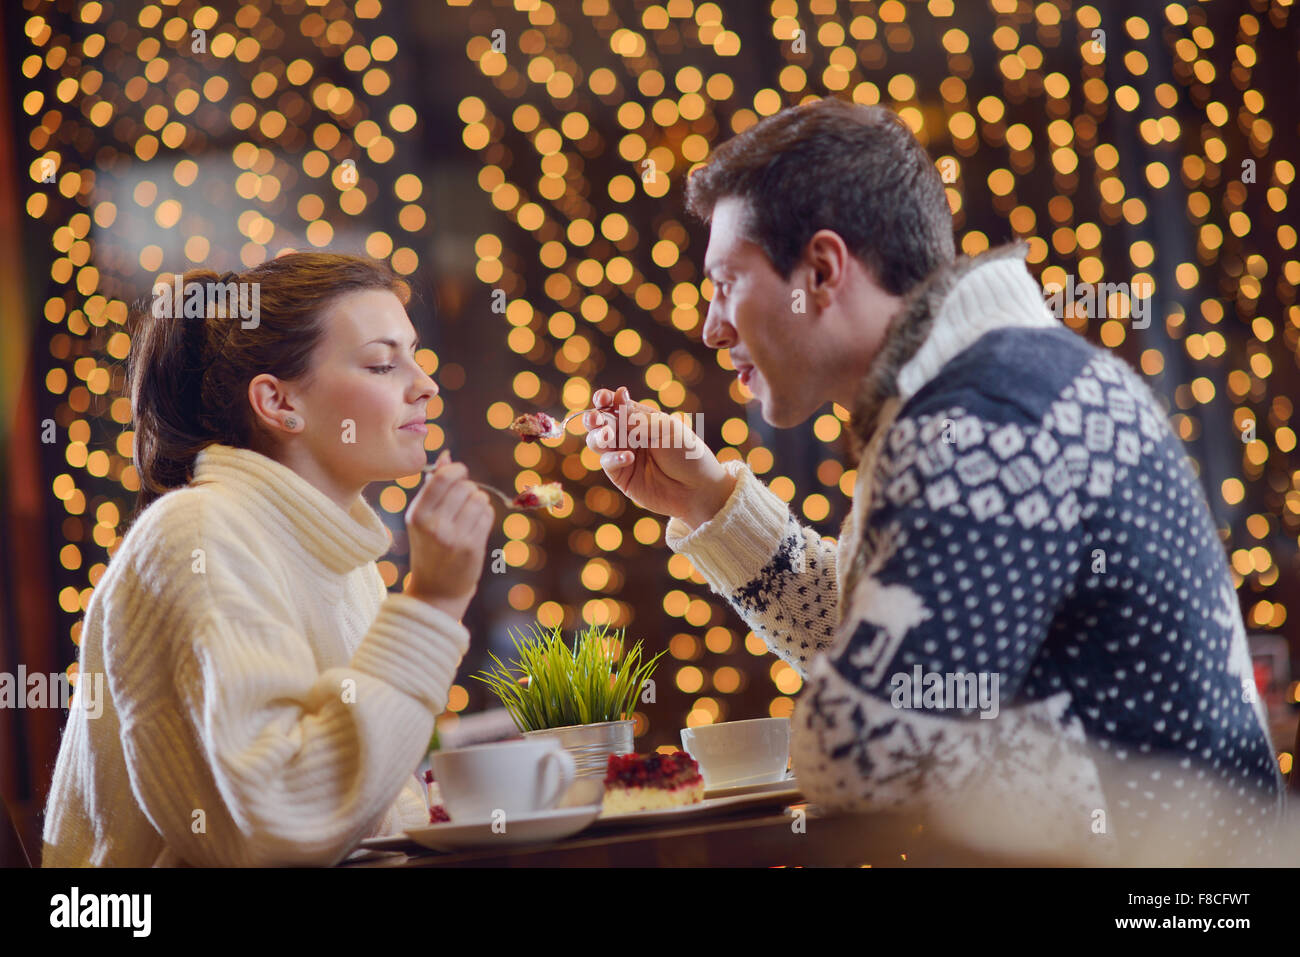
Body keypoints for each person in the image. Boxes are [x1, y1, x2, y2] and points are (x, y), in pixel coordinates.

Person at [584, 98, 1284, 864]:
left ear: (820, 271)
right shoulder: (990, 383)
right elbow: (911, 655)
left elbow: (862, 753)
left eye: (724, 283)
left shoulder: (982, 421)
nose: (712, 326)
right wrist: (708, 499)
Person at [41, 253, 493, 866]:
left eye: (412, 354)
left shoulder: (345, 559)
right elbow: (281, 824)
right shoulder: (197, 536)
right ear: (279, 404)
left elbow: (360, 810)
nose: (425, 384)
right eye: (383, 363)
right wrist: (433, 605)